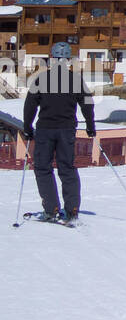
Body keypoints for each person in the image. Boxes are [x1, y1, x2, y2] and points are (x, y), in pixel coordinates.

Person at [21, 42, 95, 224]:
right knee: (67, 168)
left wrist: (27, 127)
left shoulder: (41, 79)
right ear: (69, 60)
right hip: (67, 129)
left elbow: (30, 104)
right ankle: (72, 210)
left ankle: (51, 208)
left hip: (45, 129)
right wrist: (90, 126)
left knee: (43, 168)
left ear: (51, 58)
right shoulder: (76, 80)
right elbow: (87, 103)